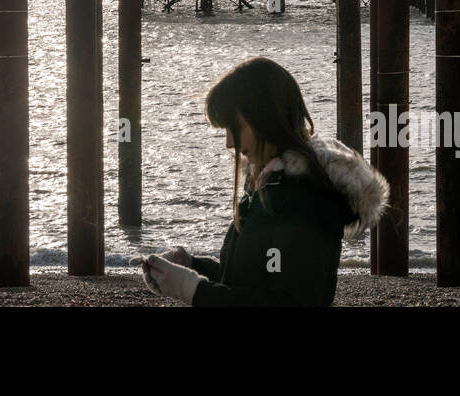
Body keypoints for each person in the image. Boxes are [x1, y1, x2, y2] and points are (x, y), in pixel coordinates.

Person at [140, 56, 389, 306]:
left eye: (234, 128)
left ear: (266, 118)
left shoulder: (305, 197)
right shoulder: (270, 185)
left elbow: (287, 301)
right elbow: (253, 280)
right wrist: (191, 267)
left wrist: (191, 289)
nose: (229, 143)